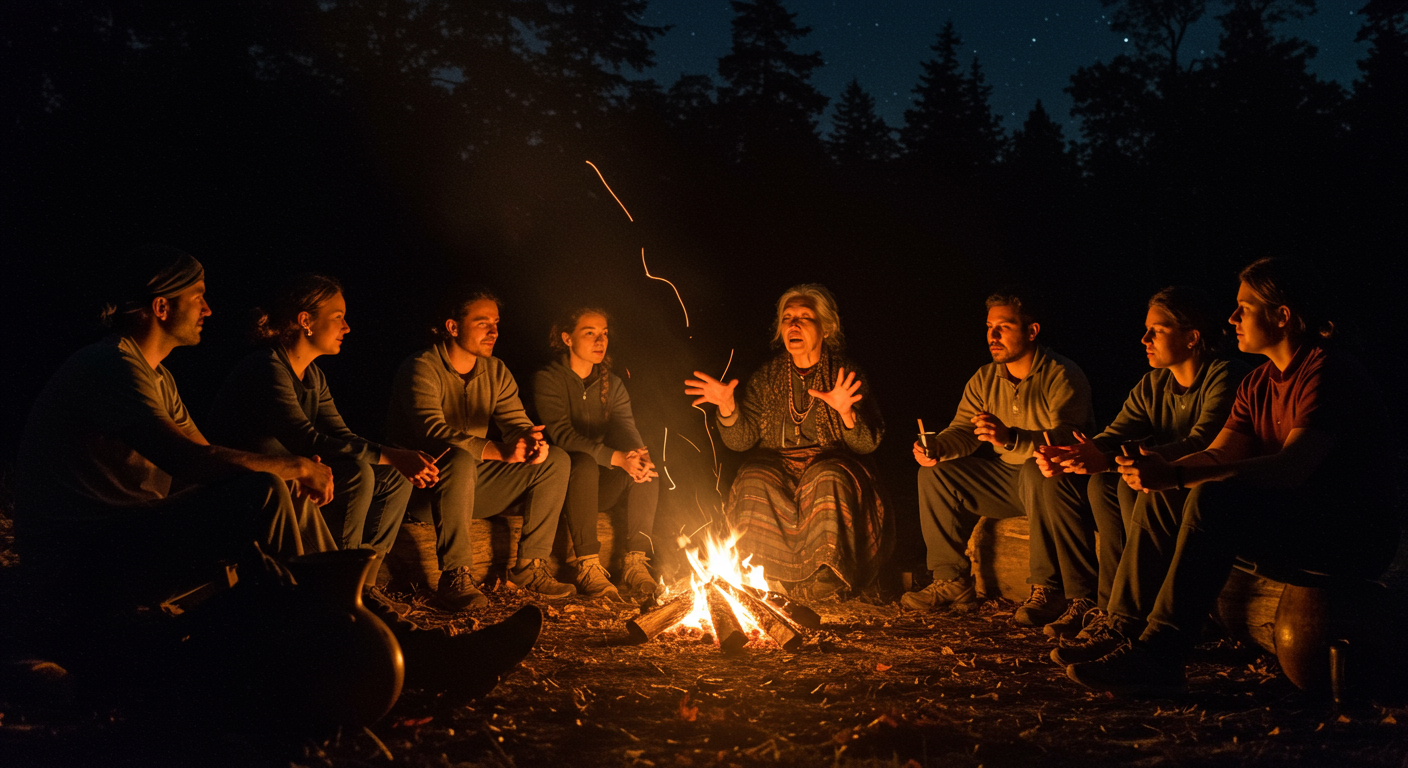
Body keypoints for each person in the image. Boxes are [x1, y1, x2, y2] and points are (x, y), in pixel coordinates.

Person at [12, 246, 543, 705]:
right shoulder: (110, 366)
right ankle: (388, 645)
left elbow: (206, 454)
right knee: (266, 488)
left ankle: (384, 633)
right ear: (161, 306)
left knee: (274, 490)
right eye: (198, 297)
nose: (210, 309)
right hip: (79, 562)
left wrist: (290, 477)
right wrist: (286, 468)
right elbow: (193, 462)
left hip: (122, 542)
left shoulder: (157, 377)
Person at [1067, 258, 1398, 696]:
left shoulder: (1328, 370)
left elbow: (1292, 466)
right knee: (1163, 495)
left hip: (1347, 534)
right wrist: (1164, 474)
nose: (1232, 318)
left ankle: (1163, 652)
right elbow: (1220, 451)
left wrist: (1181, 477)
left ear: (1282, 314)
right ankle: (1127, 632)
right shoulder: (1258, 381)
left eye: (1245, 307)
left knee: (1211, 497)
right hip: (1291, 522)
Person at [1034, 287, 1248, 649]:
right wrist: (1073, 454)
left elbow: (1203, 444)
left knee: (1122, 483)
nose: (1144, 338)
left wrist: (1109, 460)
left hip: (1210, 487)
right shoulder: (1154, 384)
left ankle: (1143, 614)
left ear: (1192, 337)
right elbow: (1115, 434)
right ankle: (1111, 610)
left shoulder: (1225, 376)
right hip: (1169, 481)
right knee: (1102, 485)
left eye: (1158, 330)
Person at [209, 274, 439, 591]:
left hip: (293, 480)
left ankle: (366, 586)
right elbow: (306, 439)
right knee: (359, 474)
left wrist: (397, 459)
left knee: (393, 476)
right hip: (253, 486)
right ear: (306, 321)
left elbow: (342, 435)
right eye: (337, 317)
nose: (347, 327)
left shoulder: (313, 375)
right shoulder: (267, 367)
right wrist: (393, 454)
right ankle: (341, 586)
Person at [902, 290, 1097, 626]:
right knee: (935, 475)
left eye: (1003, 327)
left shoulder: (1063, 374)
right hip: (1009, 481)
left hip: (1057, 481)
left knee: (1036, 471)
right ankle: (951, 580)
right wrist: (937, 449)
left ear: (1032, 331)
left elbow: (1069, 438)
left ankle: (1047, 588)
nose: (992, 336)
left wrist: (1011, 438)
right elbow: (963, 430)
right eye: (990, 327)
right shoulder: (985, 378)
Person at [686, 284, 887, 600]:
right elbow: (741, 442)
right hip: (778, 462)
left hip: (831, 461)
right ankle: (764, 575)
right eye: (787, 318)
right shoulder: (767, 377)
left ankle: (828, 573)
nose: (793, 325)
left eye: (805, 317)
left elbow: (866, 444)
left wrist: (847, 413)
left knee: (827, 476)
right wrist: (727, 407)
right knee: (753, 478)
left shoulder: (845, 372)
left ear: (826, 327)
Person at [386, 290, 579, 609]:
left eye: (496, 323)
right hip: (420, 489)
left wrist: (531, 443)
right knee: (458, 458)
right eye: (482, 322)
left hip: (473, 486)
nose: (493, 331)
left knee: (556, 459)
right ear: (452, 326)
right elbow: (433, 431)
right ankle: (455, 574)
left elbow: (516, 422)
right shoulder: (421, 367)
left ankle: (530, 567)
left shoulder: (496, 371)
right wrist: (502, 452)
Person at [533, 308, 660, 601]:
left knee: (648, 471)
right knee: (584, 463)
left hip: (597, 488)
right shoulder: (547, 379)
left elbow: (627, 428)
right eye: (589, 332)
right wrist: (616, 457)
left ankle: (635, 562)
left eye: (603, 333)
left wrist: (638, 456)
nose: (600, 340)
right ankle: (588, 565)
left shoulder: (612, 383)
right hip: (559, 487)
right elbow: (563, 436)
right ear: (567, 338)